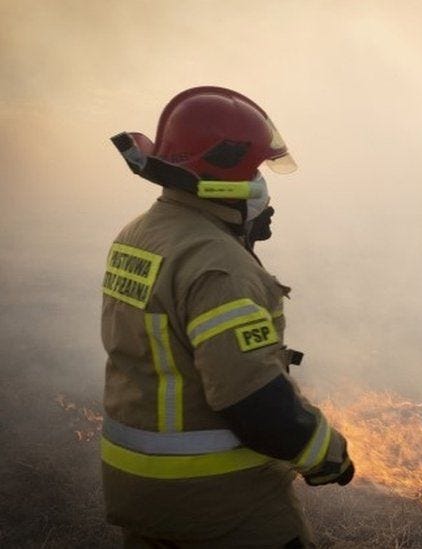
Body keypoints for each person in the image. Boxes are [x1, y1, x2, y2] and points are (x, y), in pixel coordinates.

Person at [101, 86, 353, 548]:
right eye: (254, 169)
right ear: (221, 176)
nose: (262, 182)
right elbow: (255, 403)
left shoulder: (139, 234)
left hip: (138, 486)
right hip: (219, 505)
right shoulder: (219, 267)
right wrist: (326, 454)